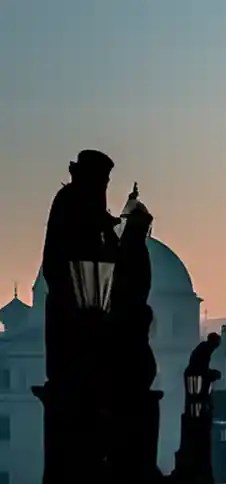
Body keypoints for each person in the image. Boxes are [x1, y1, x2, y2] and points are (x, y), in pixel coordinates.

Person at [42, 150, 121, 390]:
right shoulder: (75, 199)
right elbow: (87, 247)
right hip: (74, 289)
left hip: (79, 290)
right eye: (104, 180)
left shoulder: (74, 198)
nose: (105, 187)